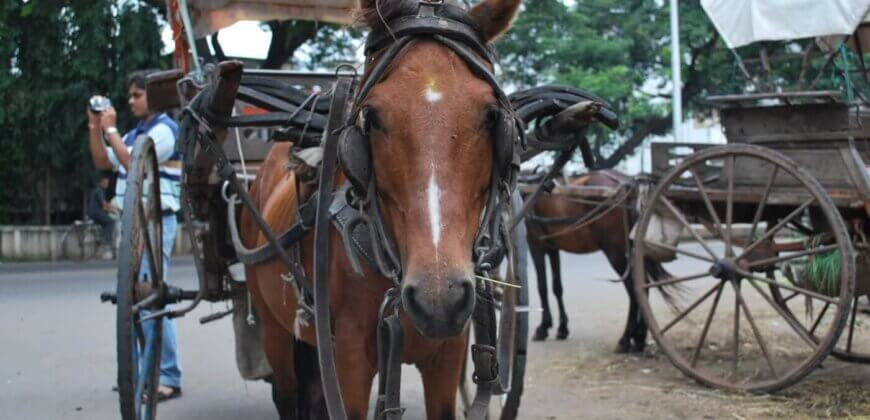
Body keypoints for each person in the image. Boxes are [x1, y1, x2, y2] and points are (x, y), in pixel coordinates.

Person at [86, 70, 184, 401]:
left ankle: (168, 375)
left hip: (157, 219)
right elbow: (105, 160)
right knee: (133, 299)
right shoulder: (136, 132)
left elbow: (134, 165)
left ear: (152, 97)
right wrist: (95, 128)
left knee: (152, 295)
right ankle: (138, 372)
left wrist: (111, 129)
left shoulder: (166, 130)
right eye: (129, 96)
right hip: (135, 221)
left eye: (136, 95)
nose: (130, 101)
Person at [87, 173, 117, 260]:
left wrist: (112, 208)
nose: (107, 184)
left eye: (107, 183)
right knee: (111, 222)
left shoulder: (99, 191)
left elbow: (105, 204)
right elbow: (104, 205)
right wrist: (113, 210)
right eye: (105, 182)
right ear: (101, 182)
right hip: (96, 212)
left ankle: (102, 238)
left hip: (93, 212)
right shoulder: (99, 191)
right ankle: (106, 242)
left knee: (105, 222)